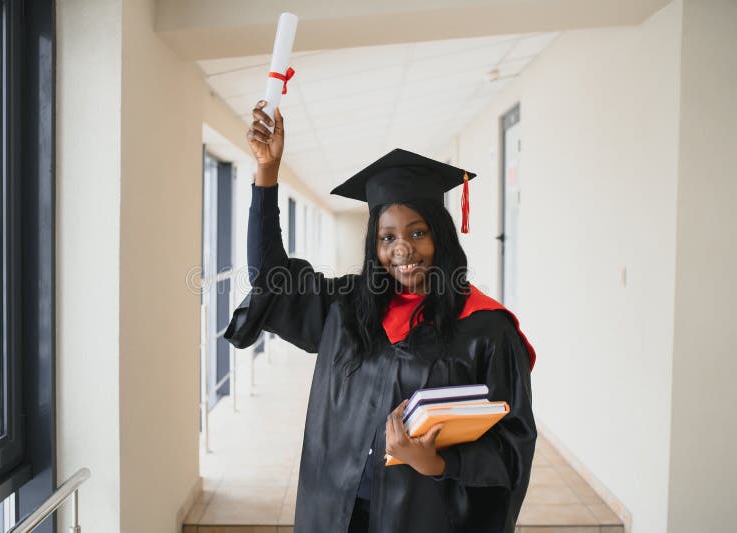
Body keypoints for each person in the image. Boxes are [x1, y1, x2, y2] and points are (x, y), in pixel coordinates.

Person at [224, 100, 537, 533]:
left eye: (417, 232)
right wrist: (267, 173)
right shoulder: (348, 307)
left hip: (422, 517)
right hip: (336, 510)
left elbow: (512, 445)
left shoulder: (485, 328)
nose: (402, 249)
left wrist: (438, 461)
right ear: (374, 244)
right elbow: (268, 278)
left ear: (440, 236)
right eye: (387, 236)